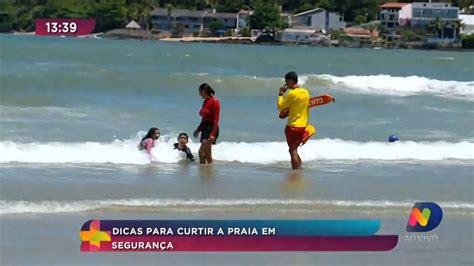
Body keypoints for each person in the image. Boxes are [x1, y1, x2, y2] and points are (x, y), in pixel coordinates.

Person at [277, 71, 310, 170]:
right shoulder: (305, 92)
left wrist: (281, 94)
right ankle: (299, 169)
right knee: (294, 150)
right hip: (303, 126)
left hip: (292, 126)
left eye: (286, 82)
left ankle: (296, 173)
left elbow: (280, 106)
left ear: (291, 81)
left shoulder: (292, 93)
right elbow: (299, 107)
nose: (286, 84)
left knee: (293, 151)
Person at [193, 83, 220, 164]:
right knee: (207, 154)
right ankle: (209, 172)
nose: (199, 94)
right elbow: (204, 118)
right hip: (205, 127)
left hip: (211, 128)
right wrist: (198, 129)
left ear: (204, 91)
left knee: (201, 152)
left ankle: (201, 173)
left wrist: (213, 134)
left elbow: (216, 119)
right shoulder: (205, 102)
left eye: (200, 92)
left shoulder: (215, 102)